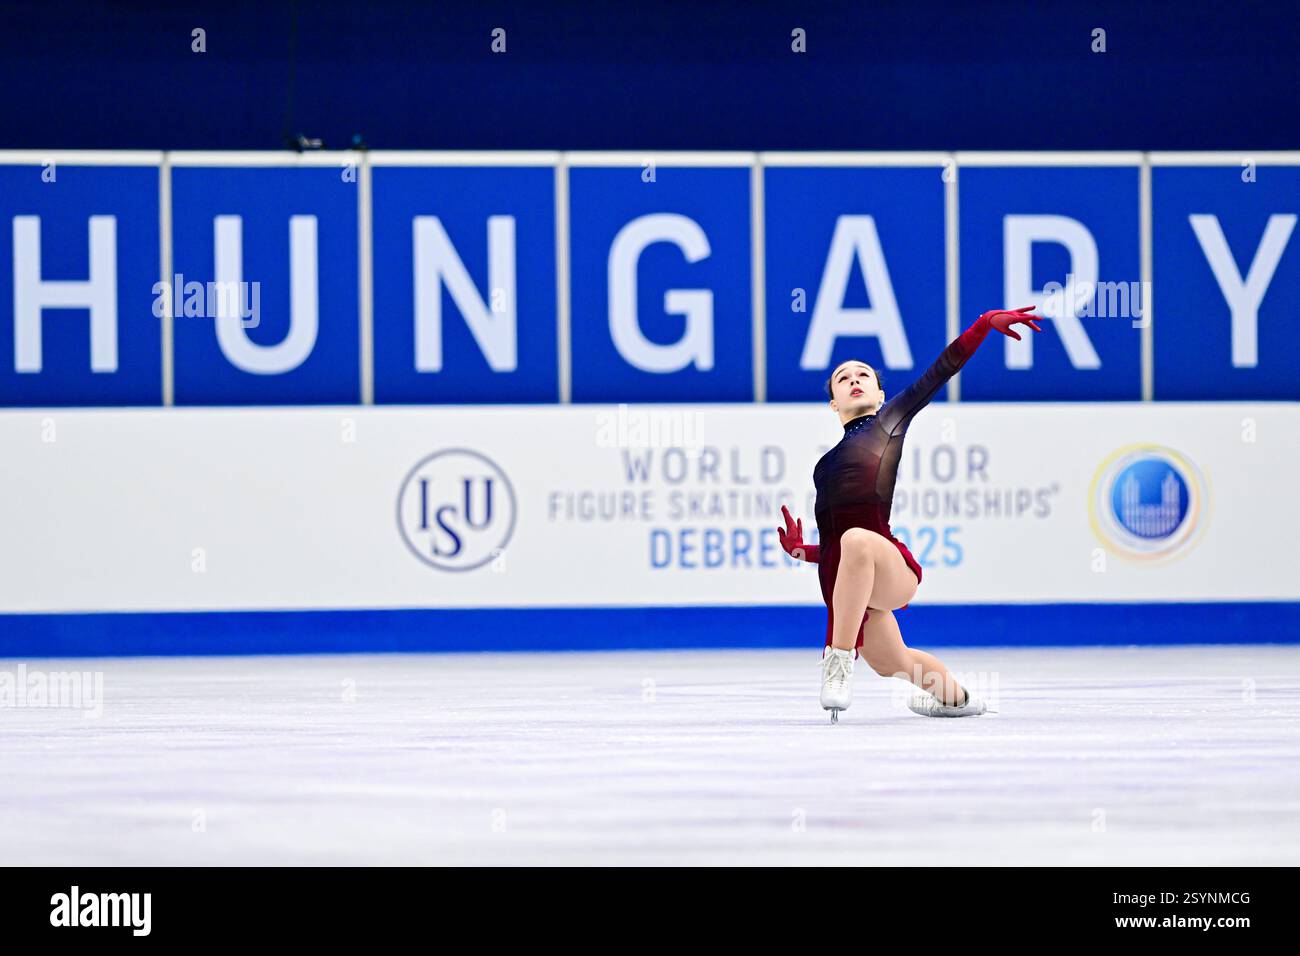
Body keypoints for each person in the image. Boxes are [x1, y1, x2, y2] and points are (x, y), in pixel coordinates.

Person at [777, 306, 1044, 722]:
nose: (853, 380)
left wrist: (983, 326)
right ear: (833, 402)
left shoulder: (888, 422)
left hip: (890, 568)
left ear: (881, 395)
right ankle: (958, 699)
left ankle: (837, 661)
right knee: (893, 661)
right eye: (843, 378)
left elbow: (940, 370)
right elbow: (834, 545)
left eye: (863, 374)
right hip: (848, 577)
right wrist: (802, 552)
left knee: (858, 540)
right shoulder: (824, 465)